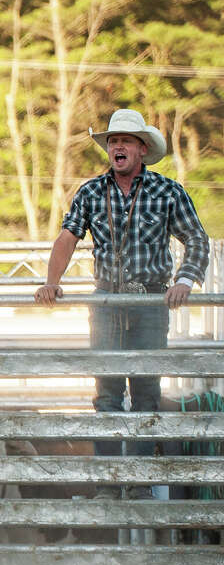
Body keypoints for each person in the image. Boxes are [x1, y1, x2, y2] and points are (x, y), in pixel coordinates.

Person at [36, 108, 210, 499]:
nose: (117, 146)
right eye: (113, 141)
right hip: (107, 301)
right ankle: (111, 482)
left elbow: (197, 240)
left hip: (150, 301)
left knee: (147, 391)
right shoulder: (91, 191)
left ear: (142, 149)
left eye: (125, 141)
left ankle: (142, 481)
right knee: (108, 394)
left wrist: (184, 279)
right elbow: (67, 237)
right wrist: (52, 282)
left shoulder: (168, 191)